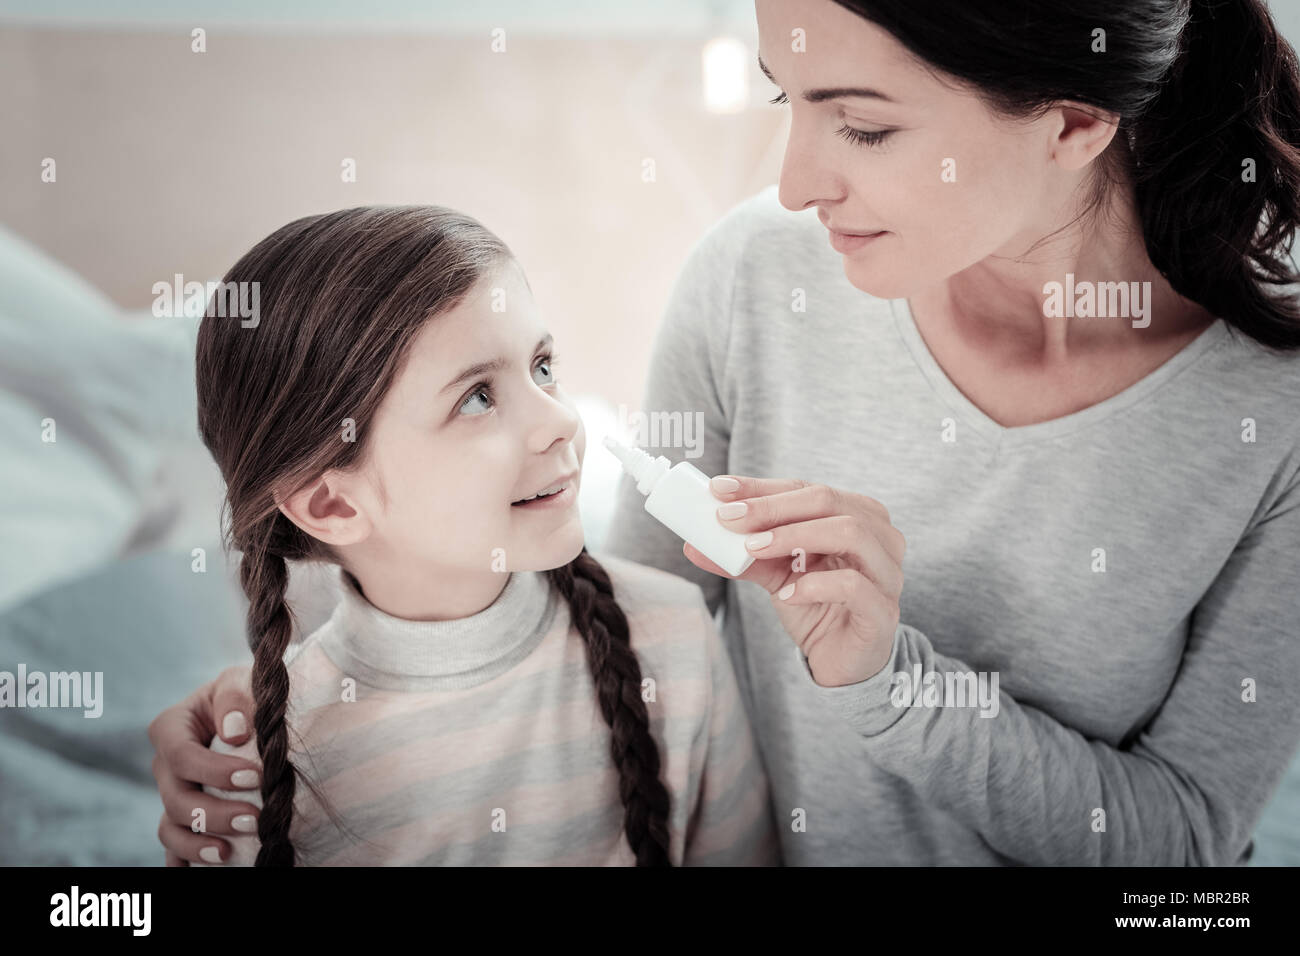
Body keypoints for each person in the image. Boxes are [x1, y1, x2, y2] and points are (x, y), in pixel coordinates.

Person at [153, 0, 1300, 865]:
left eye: (859, 126)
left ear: (1072, 123)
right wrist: (290, 678)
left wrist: (895, 685)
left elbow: (1186, 842)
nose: (797, 183)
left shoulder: (1272, 420)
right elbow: (613, 628)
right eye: (784, 102)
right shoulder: (758, 272)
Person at [164, 204, 777, 865]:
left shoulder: (677, 641)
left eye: (542, 367)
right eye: (477, 397)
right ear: (332, 505)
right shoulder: (266, 768)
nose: (561, 422)